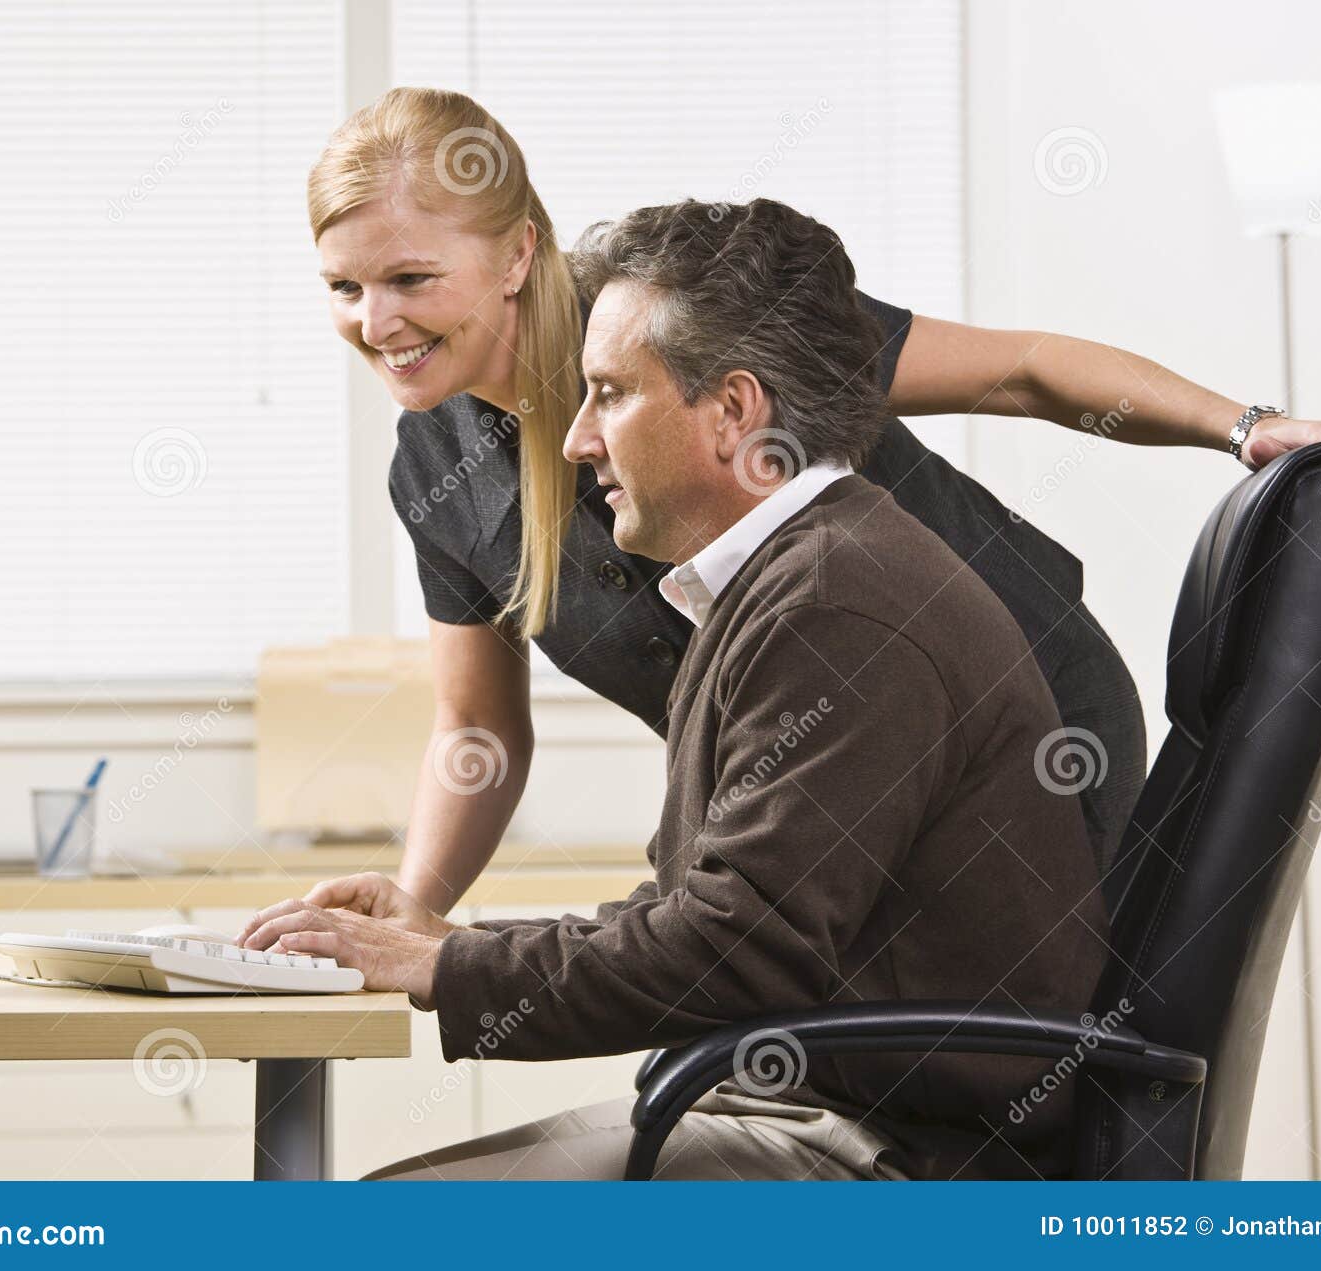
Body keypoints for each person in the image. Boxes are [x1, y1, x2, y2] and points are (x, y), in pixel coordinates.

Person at [305, 85, 1321, 907]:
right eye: (345, 288)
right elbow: (477, 727)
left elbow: (1023, 372)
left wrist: (1240, 425)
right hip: (814, 792)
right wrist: (413, 908)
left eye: (410, 278)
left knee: (946, 1056)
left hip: (1025, 722)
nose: (375, 323)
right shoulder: (434, 474)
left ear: (517, 253)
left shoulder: (676, 308)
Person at [240, 198, 1111, 1180]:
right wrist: (445, 939)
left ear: (732, 410)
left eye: (609, 395)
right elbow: (701, 913)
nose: (574, 439)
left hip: (887, 1152)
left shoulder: (835, 605)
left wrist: (443, 965)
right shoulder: (776, 580)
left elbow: (735, 949)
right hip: (796, 1105)